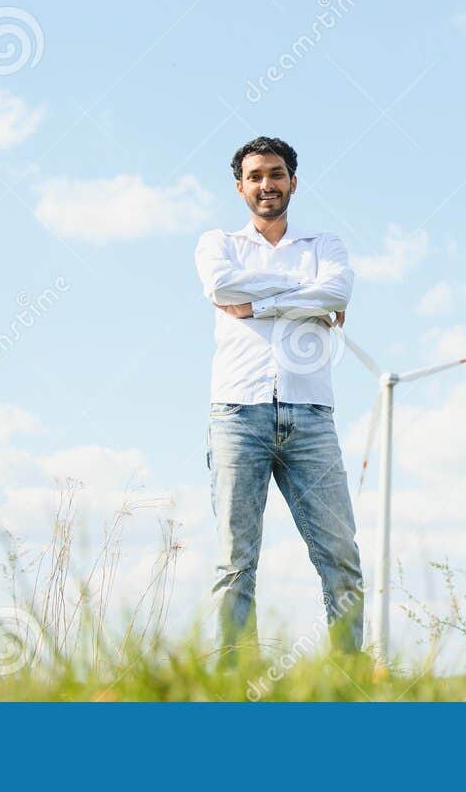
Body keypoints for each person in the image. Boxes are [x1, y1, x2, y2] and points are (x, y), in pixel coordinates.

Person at [194, 135, 365, 664]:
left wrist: (258, 301)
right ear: (240, 186)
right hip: (237, 413)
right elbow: (223, 288)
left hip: (311, 415)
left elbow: (336, 293)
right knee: (234, 560)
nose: (266, 184)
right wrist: (301, 297)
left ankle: (347, 679)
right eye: (255, 176)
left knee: (340, 555)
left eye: (275, 174)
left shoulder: (325, 246)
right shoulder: (217, 244)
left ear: (292, 179)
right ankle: (230, 680)